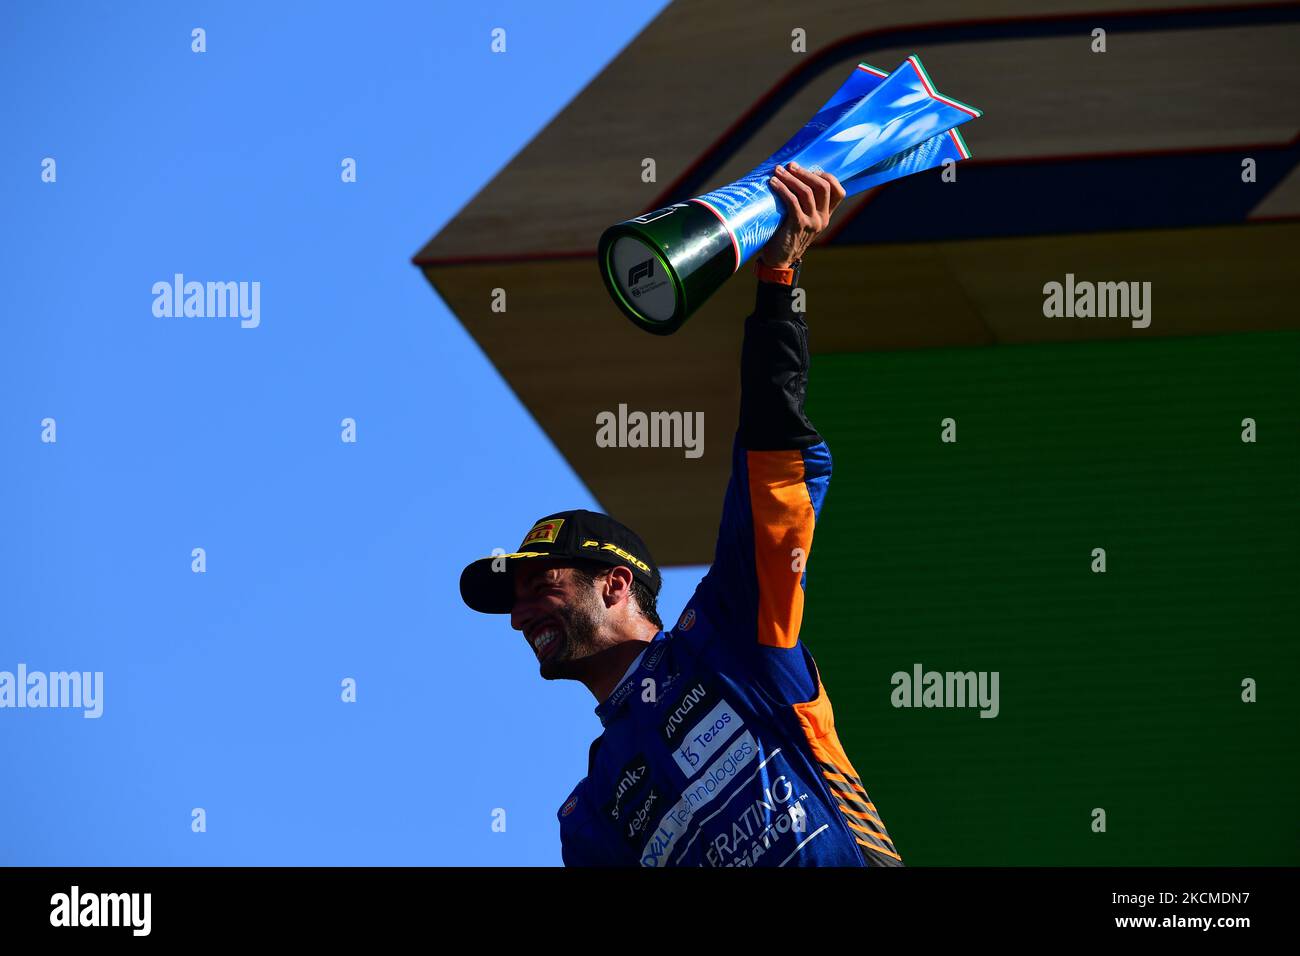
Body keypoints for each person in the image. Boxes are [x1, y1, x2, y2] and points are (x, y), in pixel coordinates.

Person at [459, 161, 902, 867]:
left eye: (541, 588)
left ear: (614, 584)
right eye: (514, 604)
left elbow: (769, 476)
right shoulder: (593, 814)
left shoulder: (728, 634)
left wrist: (778, 284)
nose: (519, 618)